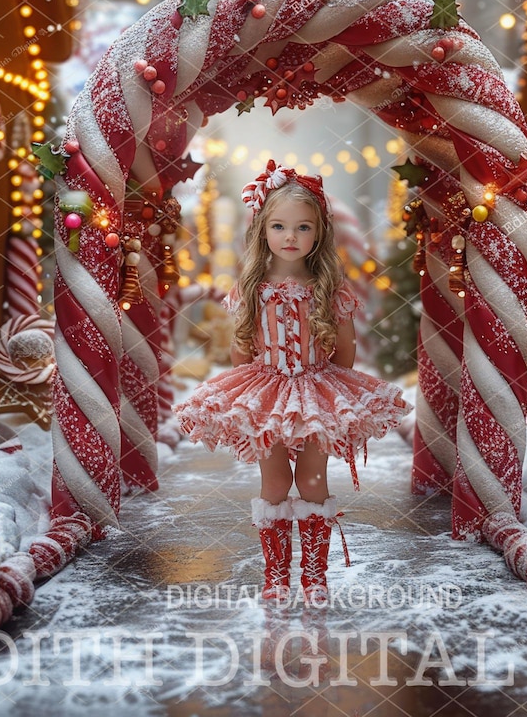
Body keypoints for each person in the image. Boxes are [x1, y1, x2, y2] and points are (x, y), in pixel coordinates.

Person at [174, 159, 410, 606]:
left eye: (303, 228)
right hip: (267, 393)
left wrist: (332, 387)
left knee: (314, 480)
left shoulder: (330, 288)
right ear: (263, 229)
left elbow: (345, 349)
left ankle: (315, 575)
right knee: (276, 482)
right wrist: (251, 386)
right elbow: (240, 350)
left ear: (319, 232)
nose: (290, 237)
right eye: (280, 226)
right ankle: (277, 574)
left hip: (318, 391)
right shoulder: (251, 288)